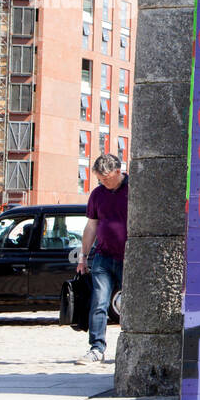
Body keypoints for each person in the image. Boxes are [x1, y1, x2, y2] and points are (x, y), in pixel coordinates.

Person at [75, 153, 128, 364]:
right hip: (103, 257)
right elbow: (91, 226)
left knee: (130, 305)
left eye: (106, 179)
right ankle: (96, 348)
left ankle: (129, 347)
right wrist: (83, 257)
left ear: (118, 171)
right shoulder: (97, 194)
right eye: (100, 179)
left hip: (129, 258)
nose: (103, 183)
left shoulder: (135, 189)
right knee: (99, 302)